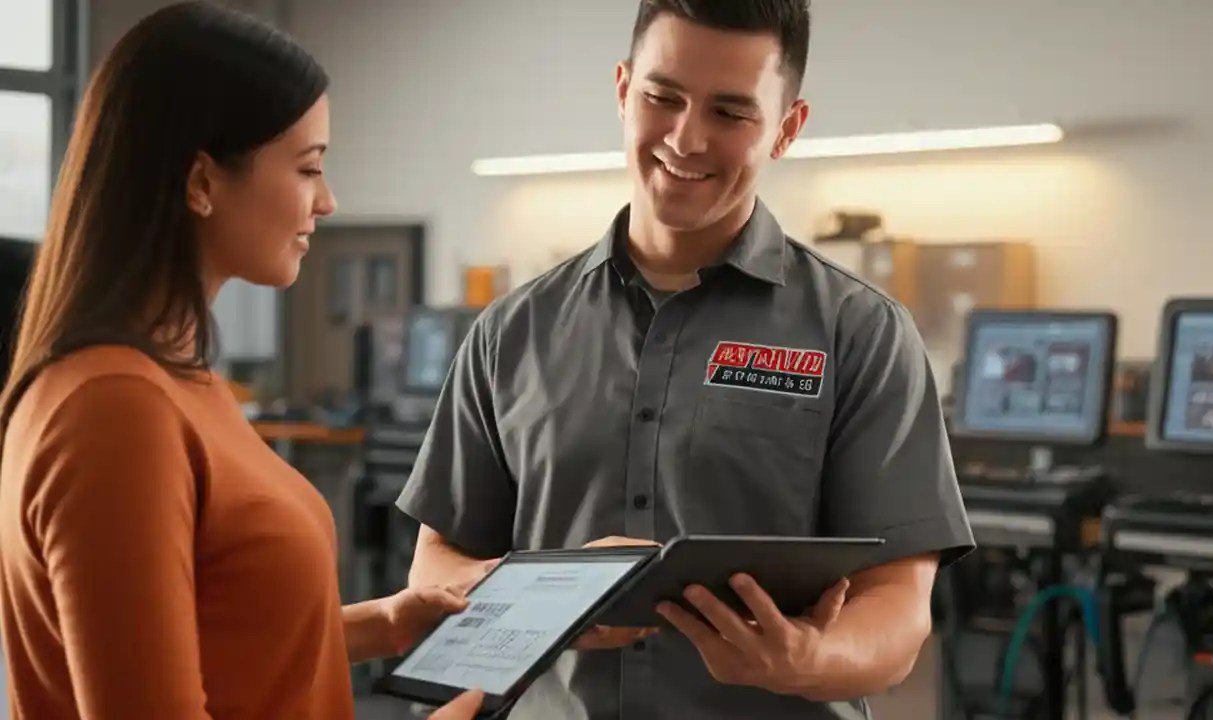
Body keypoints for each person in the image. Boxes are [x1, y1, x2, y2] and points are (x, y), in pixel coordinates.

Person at [397, 0, 975, 718]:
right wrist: (545, 595)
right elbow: (438, 562)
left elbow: (898, 606)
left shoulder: (861, 334)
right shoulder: (511, 331)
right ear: (621, 89)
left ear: (787, 129)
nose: (685, 138)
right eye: (661, 97)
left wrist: (805, 659)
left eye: (730, 114)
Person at [0, 3, 480, 719]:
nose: (327, 200)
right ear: (200, 182)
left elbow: (218, 639)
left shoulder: (174, 382)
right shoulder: (113, 410)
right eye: (308, 168)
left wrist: (388, 622)